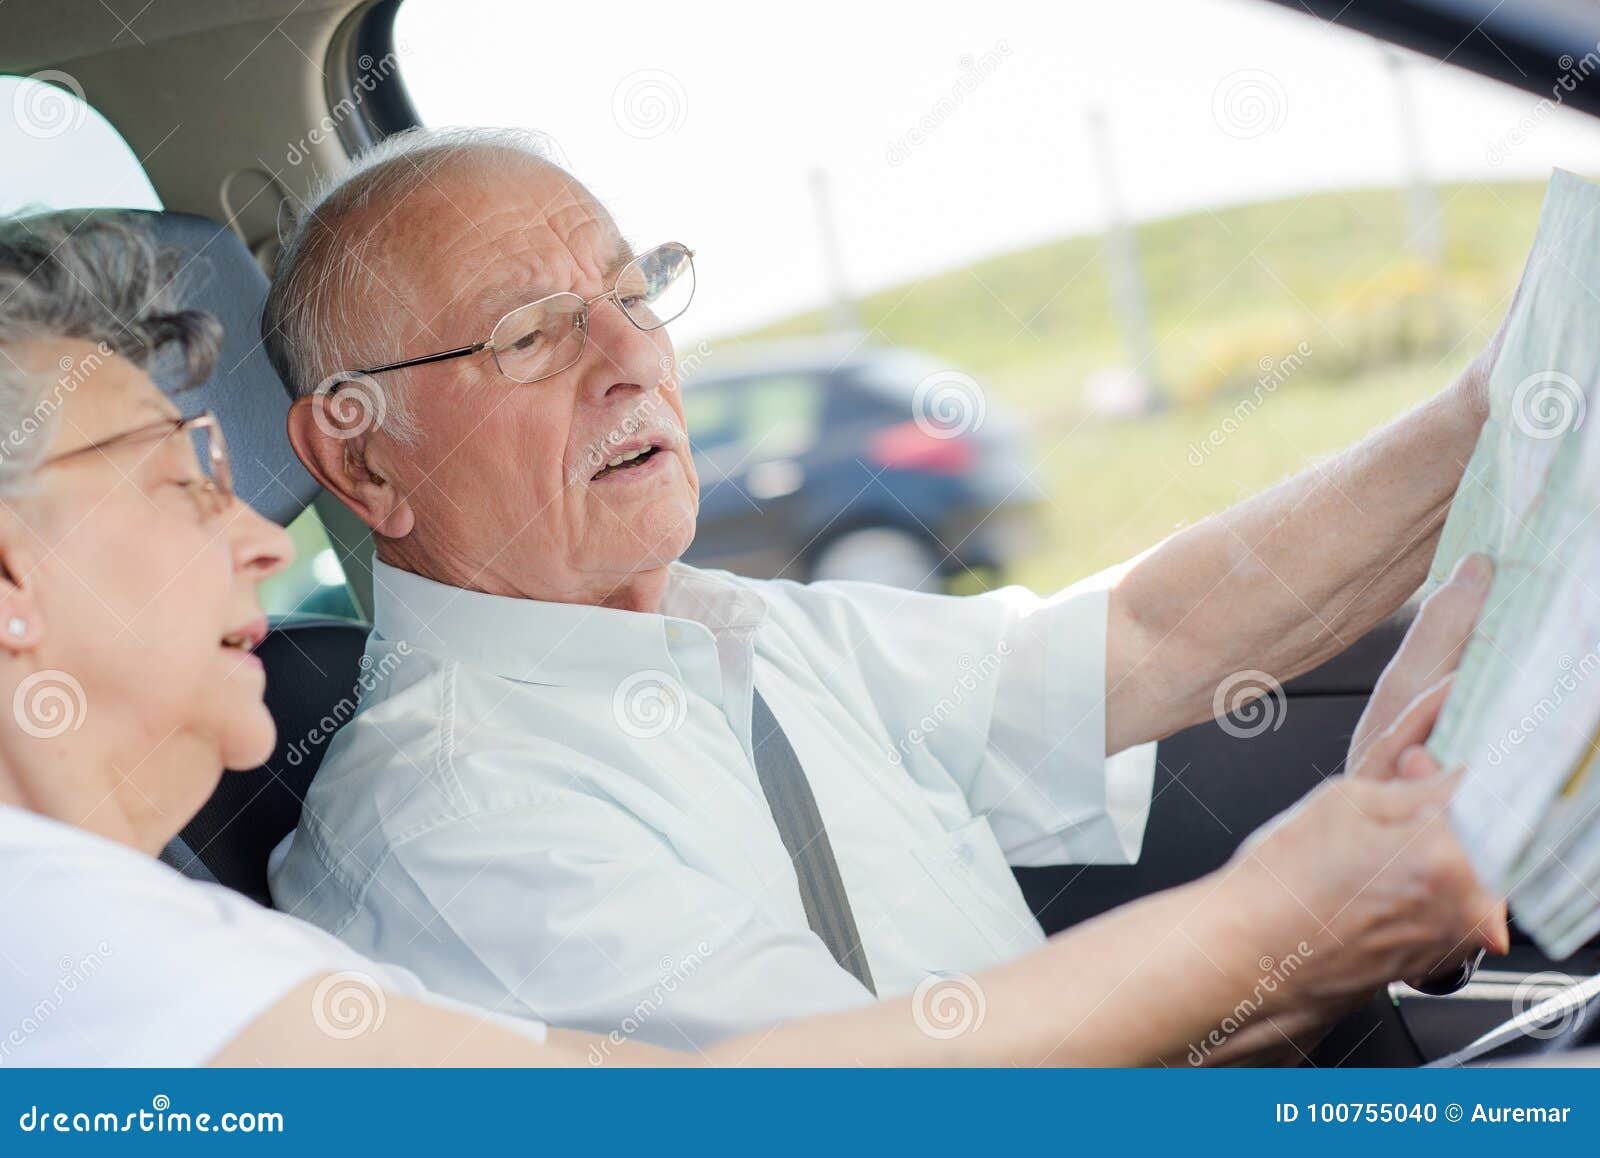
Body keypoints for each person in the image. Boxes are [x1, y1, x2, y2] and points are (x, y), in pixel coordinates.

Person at [0, 211, 1505, 1068]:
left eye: (630, 296)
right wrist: (1283, 934)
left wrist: (1494, 416)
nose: (634, 356)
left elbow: (1147, 634)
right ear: (367, 463)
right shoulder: (406, 825)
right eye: (529, 334)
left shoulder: (746, 625)